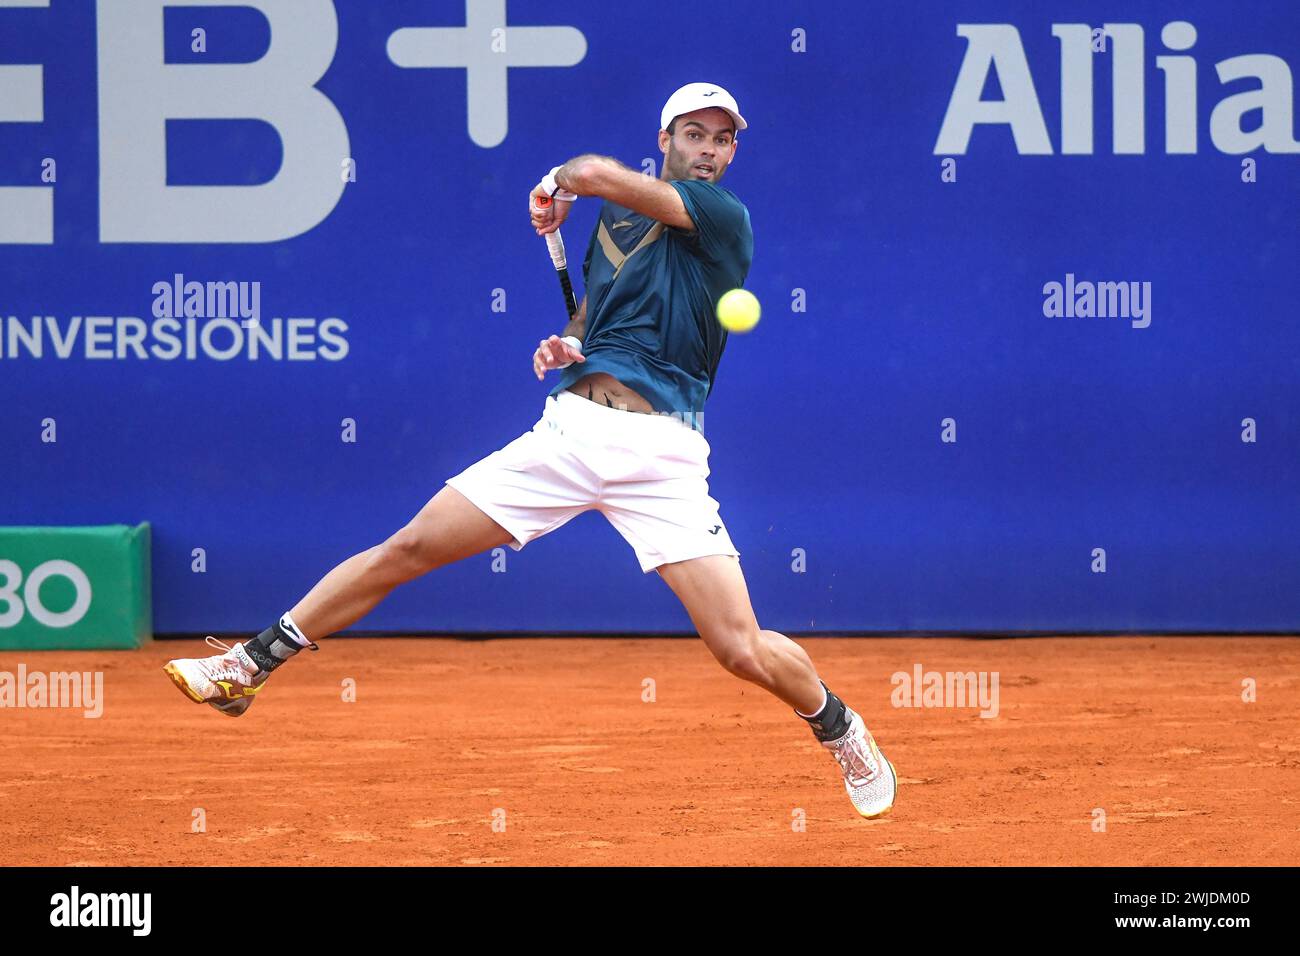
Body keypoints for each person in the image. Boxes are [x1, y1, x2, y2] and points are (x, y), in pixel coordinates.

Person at [164, 83, 897, 819]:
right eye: (694, 135)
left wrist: (554, 183)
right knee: (409, 545)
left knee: (739, 648)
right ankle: (248, 664)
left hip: (663, 456)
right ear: (667, 139)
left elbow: (594, 173)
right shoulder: (620, 221)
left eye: (722, 139)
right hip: (571, 433)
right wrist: (571, 343)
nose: (709, 151)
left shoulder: (719, 216)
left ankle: (840, 728)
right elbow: (596, 308)